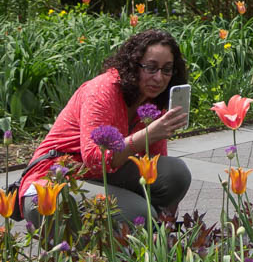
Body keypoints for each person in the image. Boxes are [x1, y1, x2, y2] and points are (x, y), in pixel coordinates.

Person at [18, 29, 191, 229]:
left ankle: (155, 242)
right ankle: (105, 250)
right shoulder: (102, 91)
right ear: (133, 65)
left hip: (97, 178)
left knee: (175, 174)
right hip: (52, 185)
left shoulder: (152, 101)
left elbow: (155, 166)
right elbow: (95, 159)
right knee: (139, 214)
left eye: (167, 69)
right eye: (151, 68)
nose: (159, 78)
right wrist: (148, 135)